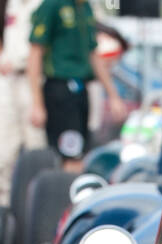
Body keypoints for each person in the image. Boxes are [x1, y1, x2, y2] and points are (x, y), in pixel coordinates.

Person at [27, 0, 127, 170]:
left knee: (81, 152)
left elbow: (93, 54)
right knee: (71, 157)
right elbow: (35, 54)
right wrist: (37, 104)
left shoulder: (86, 8)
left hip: (81, 90)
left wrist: (113, 96)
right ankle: (65, 193)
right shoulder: (52, 6)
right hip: (60, 91)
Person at [0, 0, 46, 206]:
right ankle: (3, 206)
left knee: (36, 147)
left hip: (35, 80)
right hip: (6, 78)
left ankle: (34, 208)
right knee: (1, 152)